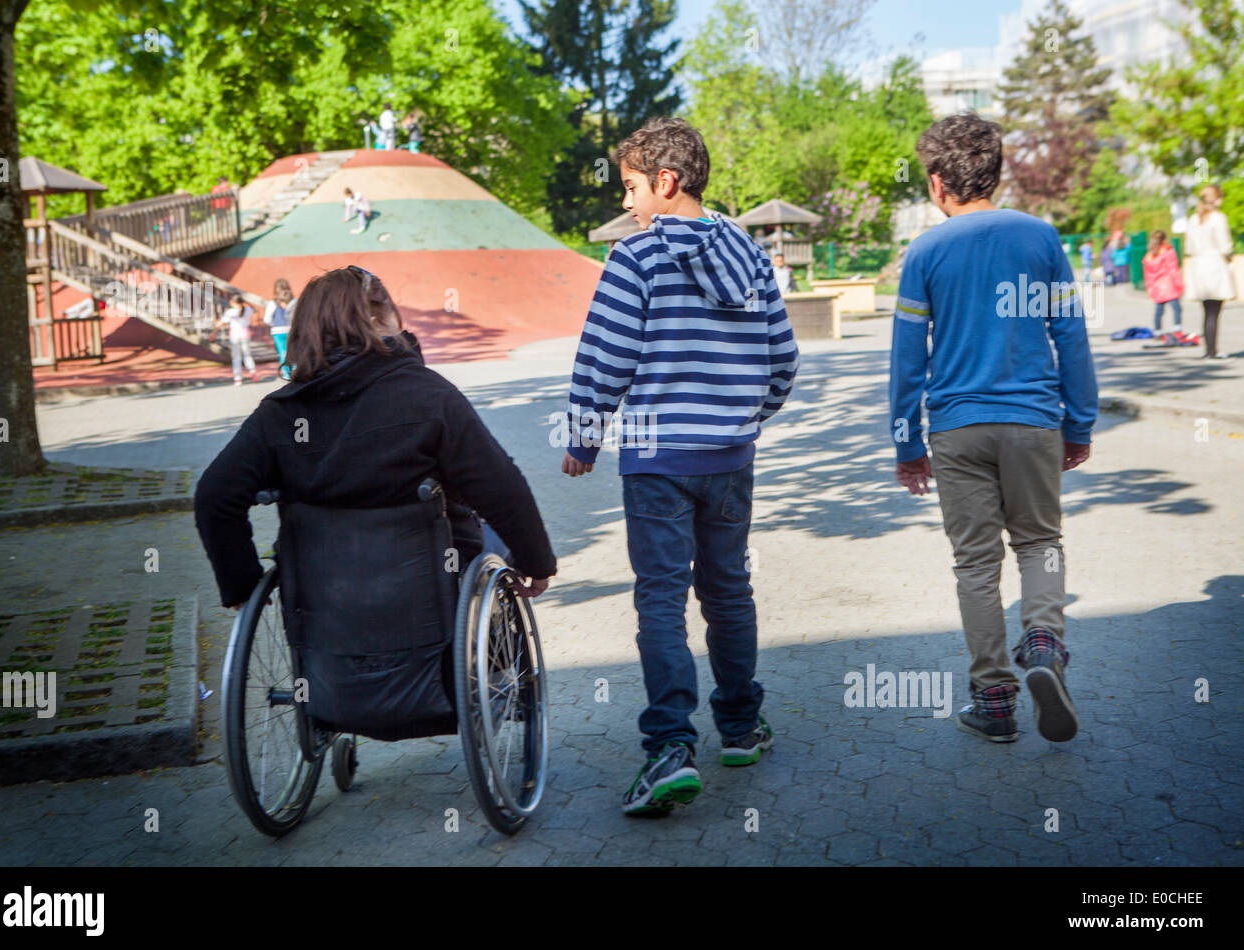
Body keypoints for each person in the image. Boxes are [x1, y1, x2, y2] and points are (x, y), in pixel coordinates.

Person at [560, 116, 799, 815]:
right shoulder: (752, 258)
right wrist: (747, 417)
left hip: (656, 461)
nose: (627, 203)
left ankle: (669, 749)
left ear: (666, 183)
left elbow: (605, 357)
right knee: (728, 592)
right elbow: (783, 360)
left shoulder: (634, 261)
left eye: (632, 188)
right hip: (729, 458)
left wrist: (584, 435)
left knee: (661, 600)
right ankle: (740, 726)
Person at [889, 113, 1097, 745]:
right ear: (997, 173)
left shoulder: (924, 251)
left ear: (935, 184)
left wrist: (906, 441)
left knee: (976, 564)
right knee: (1039, 542)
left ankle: (995, 701)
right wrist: (1079, 421)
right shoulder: (1041, 239)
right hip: (1033, 420)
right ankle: (1044, 644)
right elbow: (1071, 336)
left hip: (956, 428)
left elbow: (907, 359)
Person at [194, 265, 555, 616]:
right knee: (497, 544)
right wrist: (536, 561)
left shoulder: (279, 414)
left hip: (321, 608)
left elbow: (215, 496)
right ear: (386, 320)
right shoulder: (430, 396)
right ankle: (494, 671)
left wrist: (241, 583)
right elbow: (499, 486)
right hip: (432, 595)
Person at [1184, 183, 1236, 360]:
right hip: (1214, 266)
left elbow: (1188, 247)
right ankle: (1212, 351)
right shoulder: (1218, 218)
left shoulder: (1193, 219)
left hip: (1198, 267)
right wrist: (1229, 256)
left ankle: (1209, 350)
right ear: (1216, 198)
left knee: (1207, 311)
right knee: (1214, 311)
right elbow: (1225, 246)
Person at [1142, 230, 1185, 338]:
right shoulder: (1168, 252)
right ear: (1165, 239)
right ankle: (1177, 330)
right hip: (1169, 284)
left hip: (1156, 287)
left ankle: (1157, 331)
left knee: (1159, 311)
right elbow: (1173, 269)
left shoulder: (1149, 255)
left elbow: (1148, 275)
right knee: (1176, 309)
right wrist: (1180, 284)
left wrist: (1150, 288)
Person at [215, 294, 258, 385]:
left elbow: (223, 322)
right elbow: (253, 309)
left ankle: (238, 378)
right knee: (247, 355)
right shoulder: (248, 310)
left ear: (233, 302)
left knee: (236, 357)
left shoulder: (231, 312)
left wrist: (217, 326)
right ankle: (253, 372)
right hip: (245, 334)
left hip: (235, 335)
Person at [264, 278, 297, 381]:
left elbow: (267, 319)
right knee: (295, 352)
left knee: (283, 352)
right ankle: (296, 372)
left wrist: (275, 324)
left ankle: (286, 374)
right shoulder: (294, 300)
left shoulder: (273, 303)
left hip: (278, 331)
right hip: (291, 329)